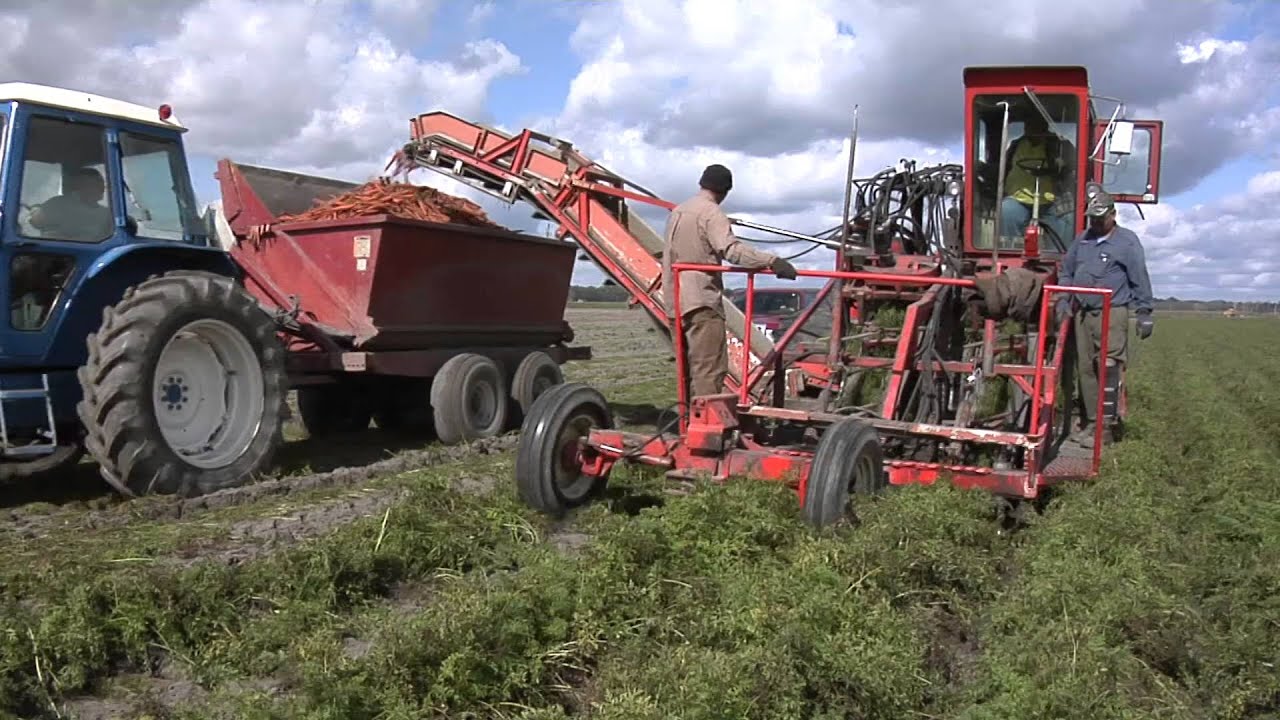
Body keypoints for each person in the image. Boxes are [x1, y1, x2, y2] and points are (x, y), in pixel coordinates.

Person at [661, 163, 798, 399]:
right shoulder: (712, 213)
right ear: (725, 191)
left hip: (675, 300)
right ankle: (708, 430)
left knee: (685, 370)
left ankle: (687, 420)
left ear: (701, 183)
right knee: (708, 370)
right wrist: (772, 261)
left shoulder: (679, 211)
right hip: (702, 302)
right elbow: (732, 251)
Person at [1057, 190, 1154, 447]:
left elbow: (1139, 278)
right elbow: (1066, 272)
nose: (1095, 224)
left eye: (1100, 219)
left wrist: (1144, 312)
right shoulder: (1083, 240)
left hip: (1112, 312)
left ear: (1113, 215)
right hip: (1082, 313)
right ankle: (1091, 423)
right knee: (1086, 370)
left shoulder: (1126, 242)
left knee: (1108, 366)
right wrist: (1064, 299)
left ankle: (1106, 429)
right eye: (1092, 219)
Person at [1000, 114, 1075, 249]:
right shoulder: (1016, 145)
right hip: (1019, 198)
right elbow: (1002, 168)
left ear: (1045, 126)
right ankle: (1010, 250)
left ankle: (1060, 254)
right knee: (1006, 210)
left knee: (1068, 217)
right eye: (1029, 125)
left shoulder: (1060, 145)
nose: (1032, 129)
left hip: (1052, 200)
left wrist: (1058, 168)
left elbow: (1074, 166)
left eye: (1037, 125)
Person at [29, 167, 114, 242]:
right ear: (80, 186)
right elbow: (36, 222)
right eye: (97, 184)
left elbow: (36, 221)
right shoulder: (58, 204)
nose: (102, 189)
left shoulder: (107, 214)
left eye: (102, 185)